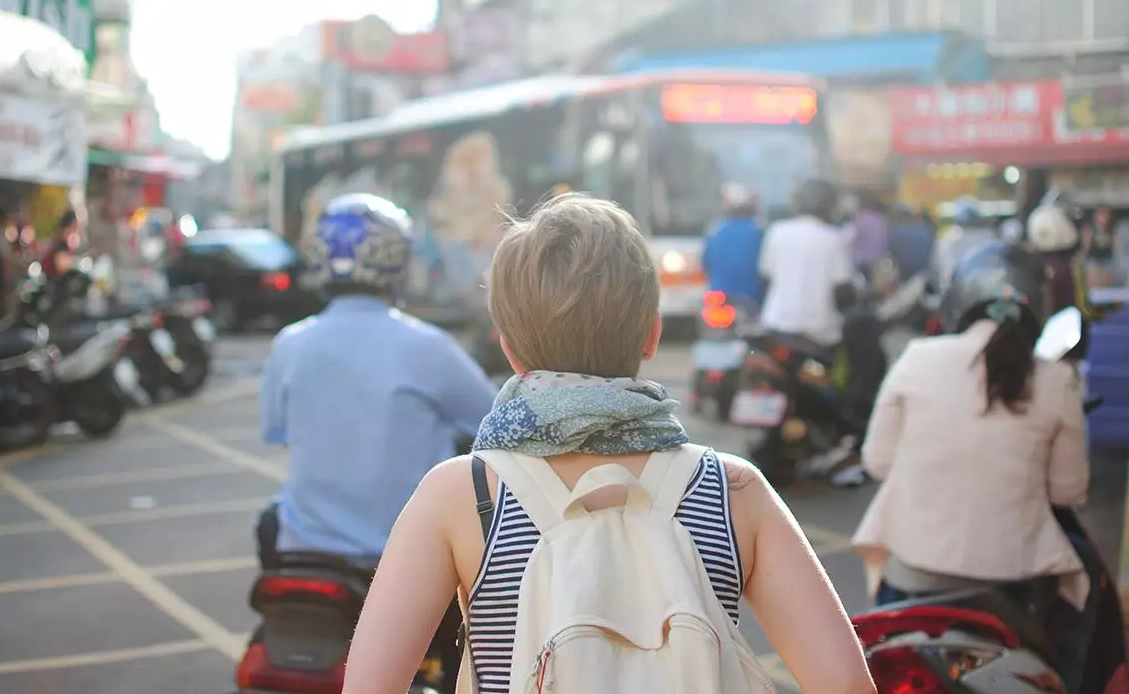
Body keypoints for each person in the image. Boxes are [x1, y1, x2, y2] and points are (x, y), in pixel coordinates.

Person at [340, 193, 875, 694]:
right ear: (651, 336)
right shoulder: (733, 489)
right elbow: (846, 685)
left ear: (510, 350)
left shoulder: (462, 493)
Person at [258, 193, 497, 692]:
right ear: (398, 260)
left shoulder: (290, 344)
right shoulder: (426, 346)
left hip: (304, 551)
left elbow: (278, 432)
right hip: (398, 561)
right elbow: (496, 422)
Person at [853, 240, 1090, 688]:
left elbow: (878, 462)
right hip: (1012, 588)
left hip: (910, 581)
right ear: (1037, 308)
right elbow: (1067, 492)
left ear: (958, 301)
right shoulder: (1057, 379)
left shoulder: (918, 358)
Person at [758, 178, 854, 356]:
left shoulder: (777, 232)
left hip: (777, 324)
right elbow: (842, 290)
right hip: (819, 331)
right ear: (830, 206)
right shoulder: (833, 238)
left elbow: (766, 277)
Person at [1027, 193, 1114, 369]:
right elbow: (1083, 307)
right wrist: (1108, 310)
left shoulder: (1031, 264)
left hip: (1037, 347)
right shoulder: (1070, 267)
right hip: (1067, 350)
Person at [701, 184, 765, 307]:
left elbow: (705, 264)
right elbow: (765, 269)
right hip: (753, 298)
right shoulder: (759, 231)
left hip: (718, 296)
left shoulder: (715, 230)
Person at [930, 196, 997, 294]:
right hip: (957, 293)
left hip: (984, 292)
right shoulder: (948, 239)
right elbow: (938, 269)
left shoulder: (989, 236)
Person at [886, 205, 935, 280]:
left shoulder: (896, 232)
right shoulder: (925, 231)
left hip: (904, 272)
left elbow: (891, 253)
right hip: (924, 272)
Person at [848, 191, 889, 279]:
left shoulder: (859, 219)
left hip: (861, 262)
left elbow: (852, 241)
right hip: (877, 262)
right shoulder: (880, 220)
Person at [40, 209, 80, 279]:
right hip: (53, 281)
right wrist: (74, 263)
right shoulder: (61, 241)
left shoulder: (63, 240)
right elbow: (61, 265)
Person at [1083, 207, 1116, 288]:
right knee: (1093, 277)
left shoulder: (1112, 229)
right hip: (1093, 258)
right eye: (1100, 216)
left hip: (1107, 258)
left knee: (1108, 279)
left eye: (1105, 216)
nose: (1103, 219)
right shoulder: (1090, 229)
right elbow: (1085, 246)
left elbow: (1116, 246)